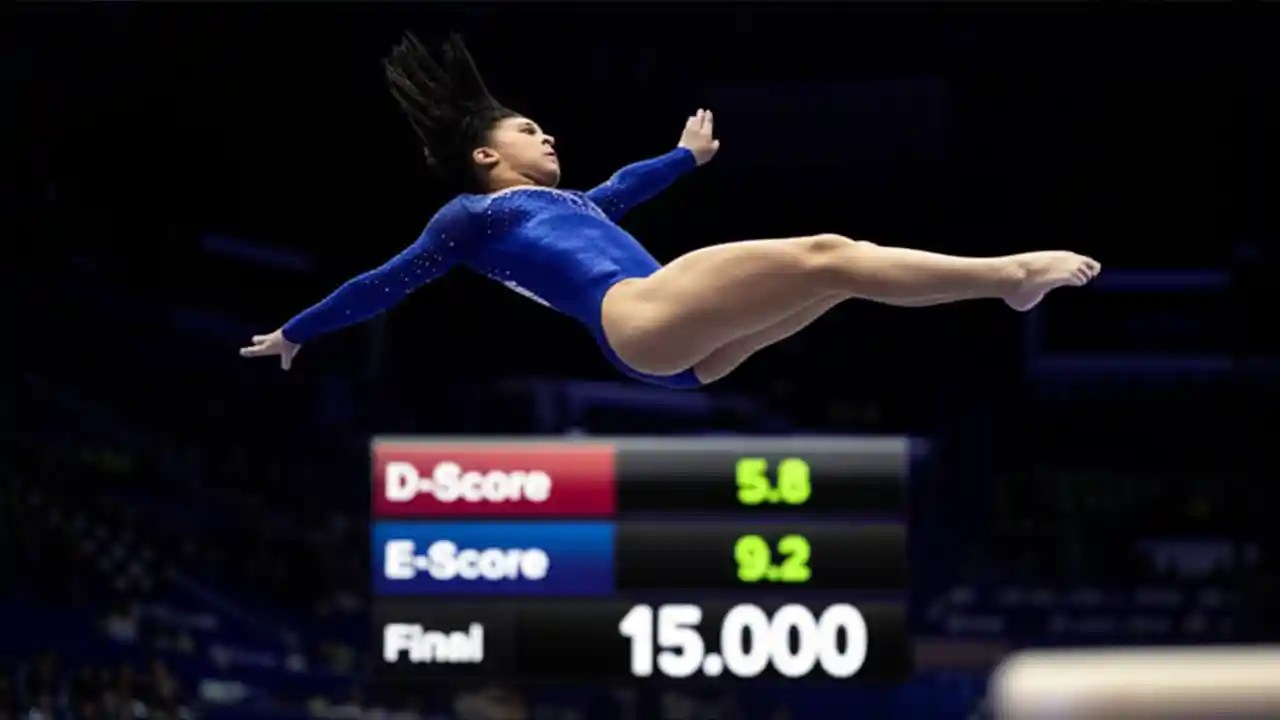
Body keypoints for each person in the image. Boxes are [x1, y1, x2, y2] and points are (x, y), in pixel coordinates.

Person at [240, 32, 1100, 389]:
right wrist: (300, 331)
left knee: (840, 282)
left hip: (681, 351)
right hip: (643, 317)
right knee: (831, 251)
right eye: (527, 128)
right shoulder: (472, 216)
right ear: (484, 156)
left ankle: (1004, 284)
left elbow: (621, 188)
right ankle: (1010, 276)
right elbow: (384, 282)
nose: (548, 136)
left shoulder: (565, 204)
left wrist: (682, 159)